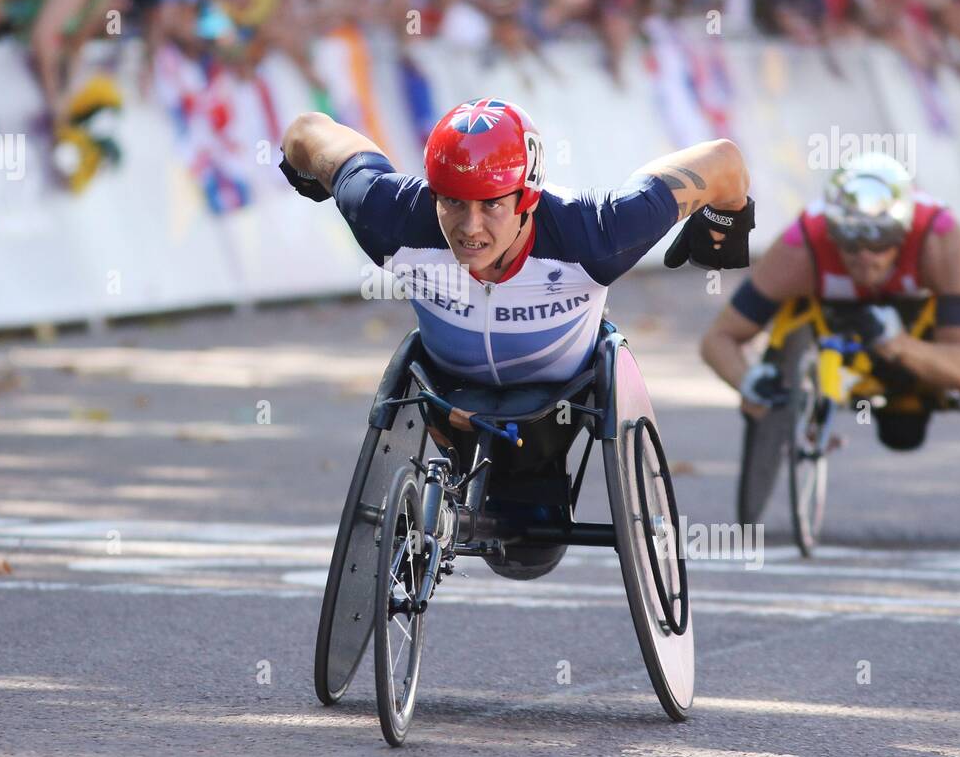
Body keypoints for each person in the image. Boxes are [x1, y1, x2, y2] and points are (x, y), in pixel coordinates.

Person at [280, 98, 751, 576]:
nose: (470, 227)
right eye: (452, 202)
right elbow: (307, 130)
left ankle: (530, 496)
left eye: (491, 206)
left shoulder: (594, 233)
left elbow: (723, 159)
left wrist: (727, 220)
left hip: (558, 405)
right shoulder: (390, 216)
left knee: (531, 523)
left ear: (526, 197)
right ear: (432, 193)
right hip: (450, 399)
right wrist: (304, 174)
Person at [700, 153, 960, 451]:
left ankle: (905, 389)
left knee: (903, 429)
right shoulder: (800, 247)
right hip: (834, 321)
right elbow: (718, 339)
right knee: (901, 431)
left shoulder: (941, 238)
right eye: (850, 242)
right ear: (831, 232)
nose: (865, 258)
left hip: (915, 338)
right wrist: (747, 381)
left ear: (903, 232)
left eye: (879, 242)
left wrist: (897, 343)